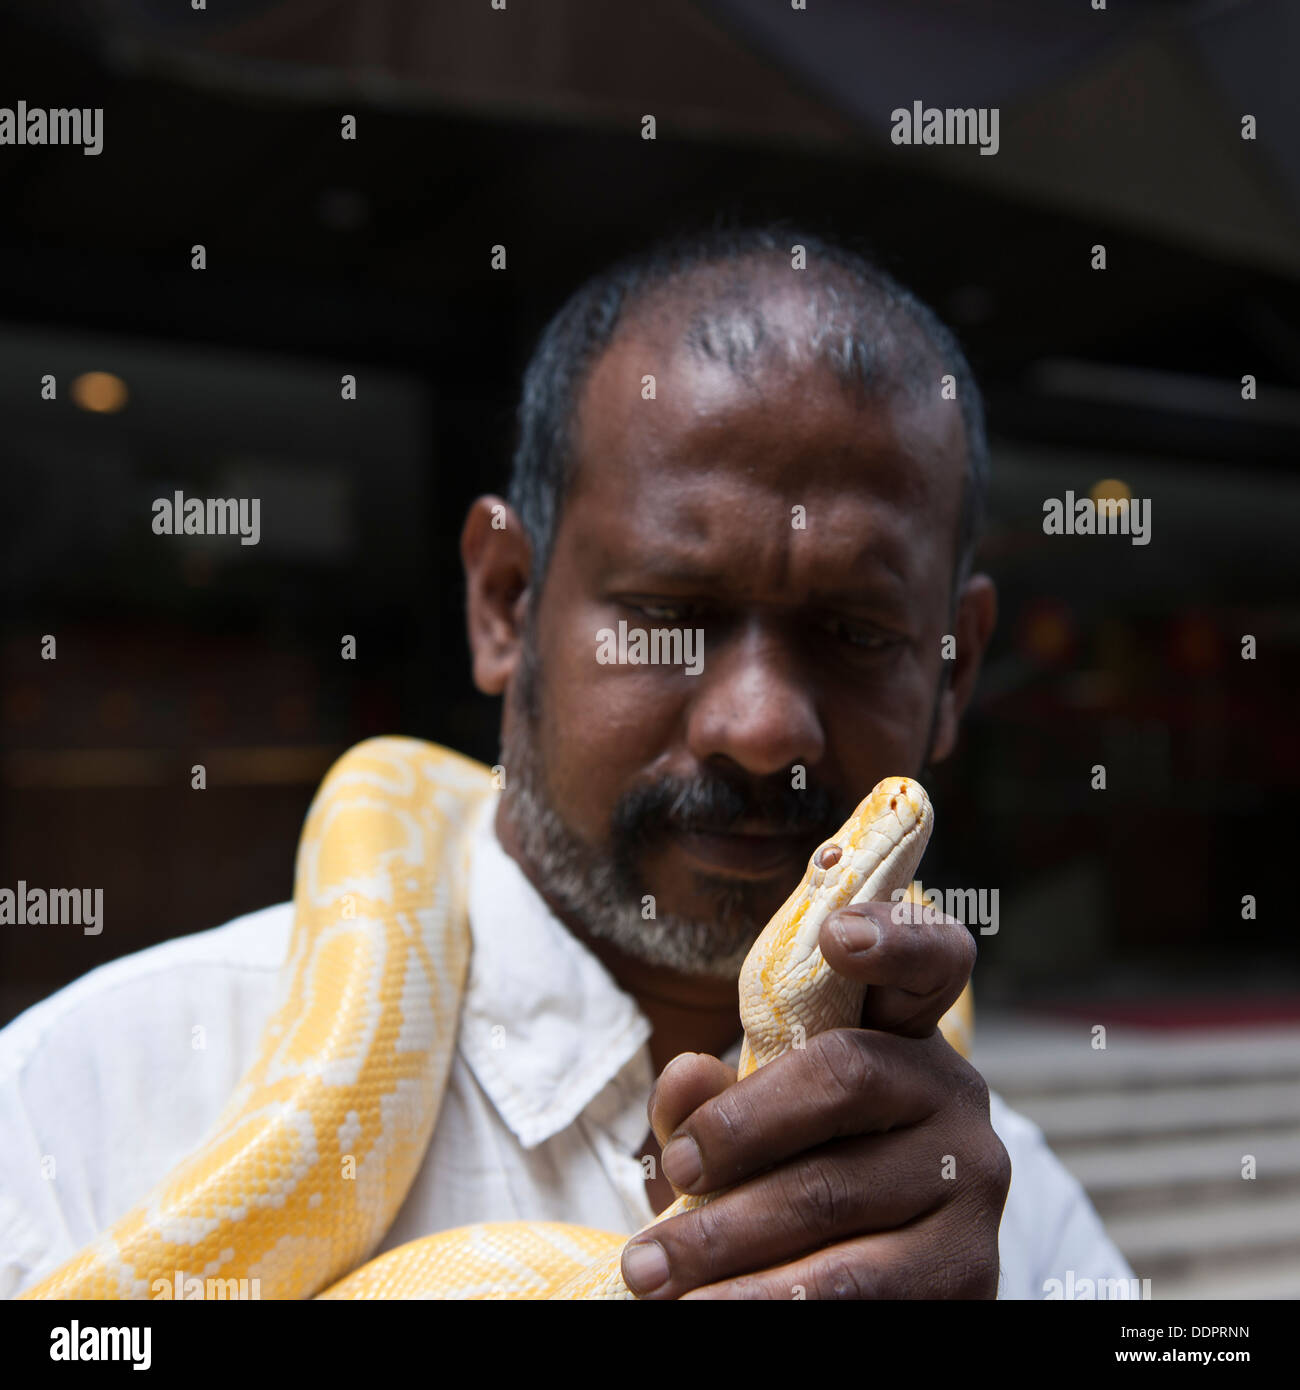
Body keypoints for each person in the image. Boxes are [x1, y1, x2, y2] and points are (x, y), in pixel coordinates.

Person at [0, 225, 1135, 1299]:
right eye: (666, 612)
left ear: (956, 667)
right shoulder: (82, 1101)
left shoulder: (1001, 1216)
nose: (761, 726)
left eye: (859, 634)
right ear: (503, 603)